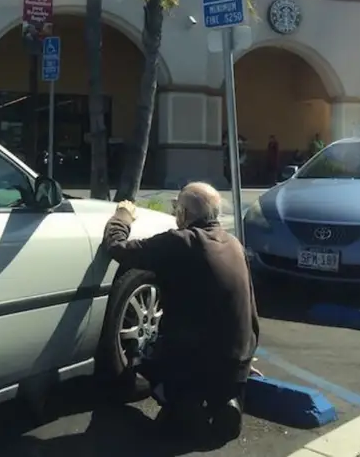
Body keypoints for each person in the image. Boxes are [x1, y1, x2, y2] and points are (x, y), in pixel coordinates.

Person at [103, 182, 260, 442]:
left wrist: (122, 216)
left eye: (177, 207)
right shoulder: (234, 244)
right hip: (237, 358)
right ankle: (227, 401)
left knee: (147, 352)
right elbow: (250, 307)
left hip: (196, 359)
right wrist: (246, 359)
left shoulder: (181, 242)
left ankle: (184, 406)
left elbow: (118, 248)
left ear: (185, 214)